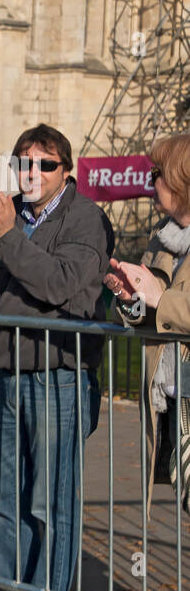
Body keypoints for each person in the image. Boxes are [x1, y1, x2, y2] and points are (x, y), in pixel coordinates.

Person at [0, 124, 112, 591]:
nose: (32, 173)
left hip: (59, 374)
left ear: (66, 170)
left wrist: (5, 236)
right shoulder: (9, 217)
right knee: (7, 492)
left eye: (45, 164)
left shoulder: (84, 217)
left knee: (50, 497)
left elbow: (60, 285)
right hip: (9, 371)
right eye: (23, 162)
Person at [109, 133, 190, 518]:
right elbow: (150, 310)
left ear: (181, 179)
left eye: (157, 172)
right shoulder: (163, 236)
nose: (150, 181)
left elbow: (167, 303)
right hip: (173, 398)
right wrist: (131, 298)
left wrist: (161, 299)